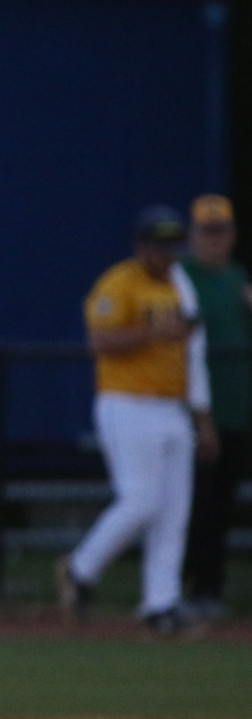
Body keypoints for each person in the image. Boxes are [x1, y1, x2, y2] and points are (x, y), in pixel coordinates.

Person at [57, 206, 217, 636]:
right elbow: (99, 340)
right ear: (140, 246)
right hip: (127, 402)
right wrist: (152, 332)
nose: (166, 256)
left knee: (174, 512)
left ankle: (160, 604)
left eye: (171, 247)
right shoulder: (119, 283)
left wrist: (200, 416)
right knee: (142, 500)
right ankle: (81, 567)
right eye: (158, 247)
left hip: (171, 404)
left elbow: (193, 354)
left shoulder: (179, 286)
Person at [178, 194, 250, 620]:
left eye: (221, 230)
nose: (215, 239)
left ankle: (210, 589)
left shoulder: (237, 277)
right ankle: (179, 588)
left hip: (235, 408)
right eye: (207, 231)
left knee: (221, 505)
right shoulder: (182, 277)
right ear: (193, 235)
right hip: (196, 409)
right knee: (194, 505)